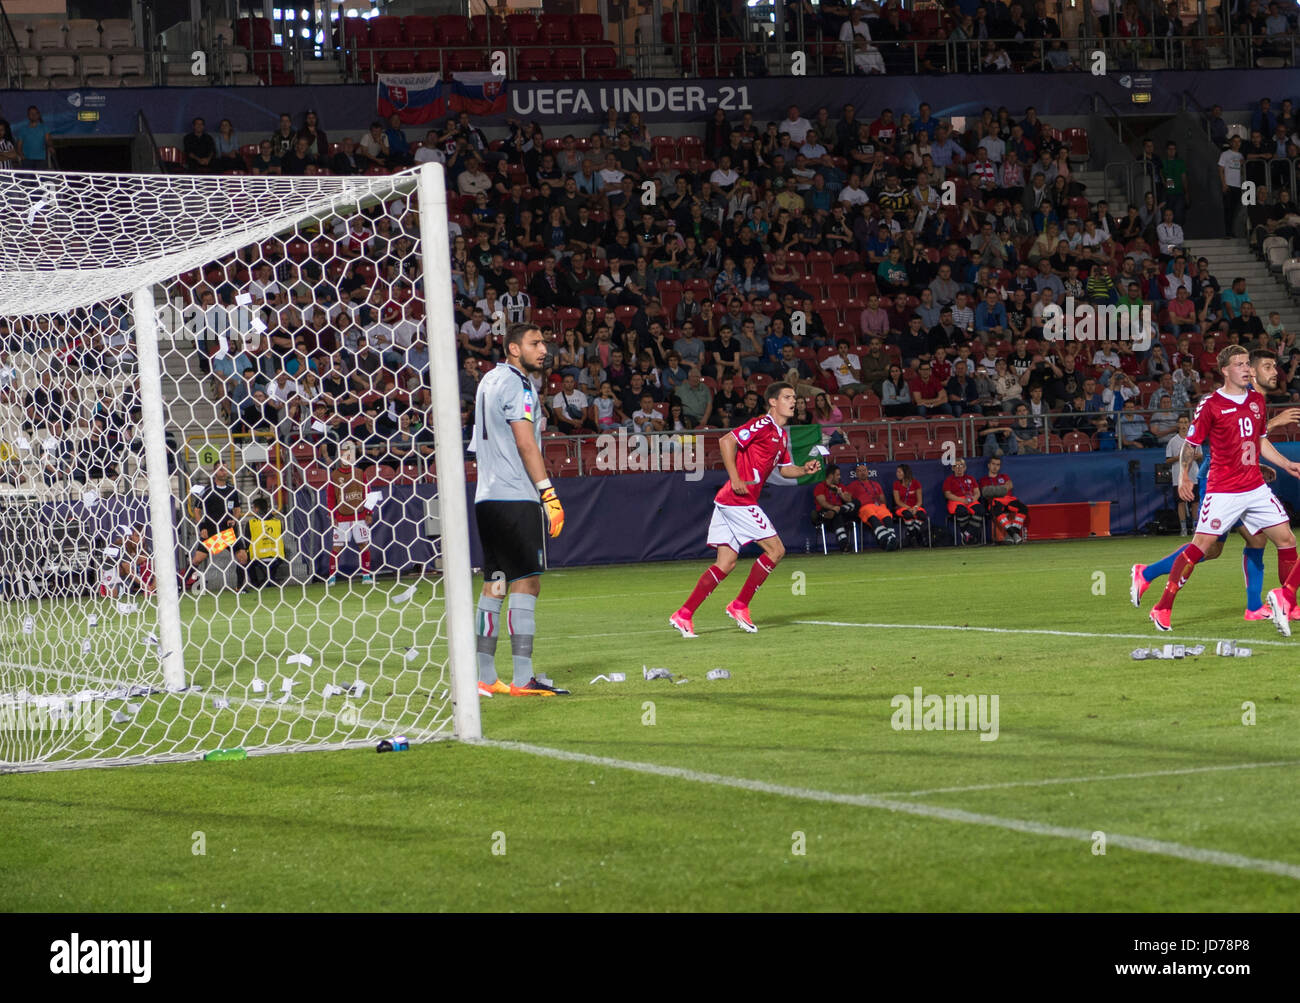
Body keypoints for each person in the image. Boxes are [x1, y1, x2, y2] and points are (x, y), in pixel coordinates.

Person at [1148, 346, 1300, 631]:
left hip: (1254, 487)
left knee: (1287, 540)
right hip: (1223, 491)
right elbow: (1191, 444)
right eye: (1239, 364)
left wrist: (1286, 464)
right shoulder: (1211, 404)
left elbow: (1260, 441)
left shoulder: (1256, 400)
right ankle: (1162, 607)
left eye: (1247, 363)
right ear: (1225, 371)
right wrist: (1184, 475)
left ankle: (1289, 604)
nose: (1246, 369)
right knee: (1201, 548)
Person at [669, 382, 821, 637]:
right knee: (776, 550)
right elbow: (726, 441)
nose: (793, 401)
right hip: (738, 498)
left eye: (794, 397)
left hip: (729, 500)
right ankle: (739, 605)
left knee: (726, 563)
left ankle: (683, 614)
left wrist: (804, 469)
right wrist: (735, 477)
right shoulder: (762, 424)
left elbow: (784, 470)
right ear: (773, 402)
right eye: (787, 397)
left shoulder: (781, 435)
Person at [470, 322, 569, 696]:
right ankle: (523, 678)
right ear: (514, 349)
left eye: (544, 342)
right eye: (534, 343)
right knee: (527, 581)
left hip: (487, 497)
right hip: (515, 496)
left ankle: (485, 676)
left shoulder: (488, 381)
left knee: (495, 584)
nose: (543, 349)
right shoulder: (519, 385)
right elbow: (526, 443)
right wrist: (549, 495)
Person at [325, 441, 374, 586]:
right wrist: (333, 516)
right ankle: (332, 577)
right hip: (342, 517)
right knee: (337, 547)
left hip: (359, 516)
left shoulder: (360, 473)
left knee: (363, 545)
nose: (346, 456)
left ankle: (366, 576)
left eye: (349, 453)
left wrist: (369, 512)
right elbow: (330, 498)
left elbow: (367, 493)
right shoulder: (334, 475)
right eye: (344, 453)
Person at [846, 463, 899, 550]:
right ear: (856, 473)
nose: (862, 473)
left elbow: (883, 499)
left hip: (878, 506)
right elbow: (848, 499)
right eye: (859, 471)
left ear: (868, 472)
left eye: (864, 470)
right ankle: (890, 538)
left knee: (886, 515)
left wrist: (882, 505)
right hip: (865, 507)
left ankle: (887, 540)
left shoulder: (876, 484)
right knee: (872, 516)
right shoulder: (852, 485)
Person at [979, 455, 1029, 543]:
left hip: (1008, 500)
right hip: (994, 502)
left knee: (1023, 508)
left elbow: (1010, 486)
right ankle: (1013, 534)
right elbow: (986, 493)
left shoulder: (1004, 476)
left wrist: (994, 490)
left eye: (997, 465)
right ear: (989, 465)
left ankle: (1011, 534)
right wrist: (1003, 489)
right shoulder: (983, 480)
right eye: (993, 464)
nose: (995, 467)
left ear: (1000, 466)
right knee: (996, 509)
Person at [813, 464, 857, 552]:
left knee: (856, 503)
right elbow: (822, 503)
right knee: (837, 516)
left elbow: (849, 500)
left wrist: (840, 493)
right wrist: (833, 508)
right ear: (831, 476)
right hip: (825, 515)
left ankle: (844, 545)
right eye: (838, 475)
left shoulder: (841, 486)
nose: (839, 477)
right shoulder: (820, 487)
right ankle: (844, 545)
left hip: (839, 512)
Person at [943, 457, 986, 545]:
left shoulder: (971, 478)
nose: (959, 468)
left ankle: (967, 534)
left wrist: (974, 498)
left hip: (970, 500)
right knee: (962, 511)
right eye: (956, 466)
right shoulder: (949, 480)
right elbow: (947, 494)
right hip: (956, 500)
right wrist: (962, 500)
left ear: (965, 467)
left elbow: (977, 492)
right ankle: (970, 536)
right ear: (953, 468)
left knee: (980, 510)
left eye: (961, 465)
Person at [893, 463, 929, 547]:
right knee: (907, 515)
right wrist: (908, 508)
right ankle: (914, 536)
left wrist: (915, 507)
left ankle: (911, 535)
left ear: (905, 472)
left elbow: (920, 501)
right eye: (897, 472)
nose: (897, 474)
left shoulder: (916, 483)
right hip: (902, 507)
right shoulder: (896, 484)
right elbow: (897, 501)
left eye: (899, 472)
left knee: (922, 516)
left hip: (916, 507)